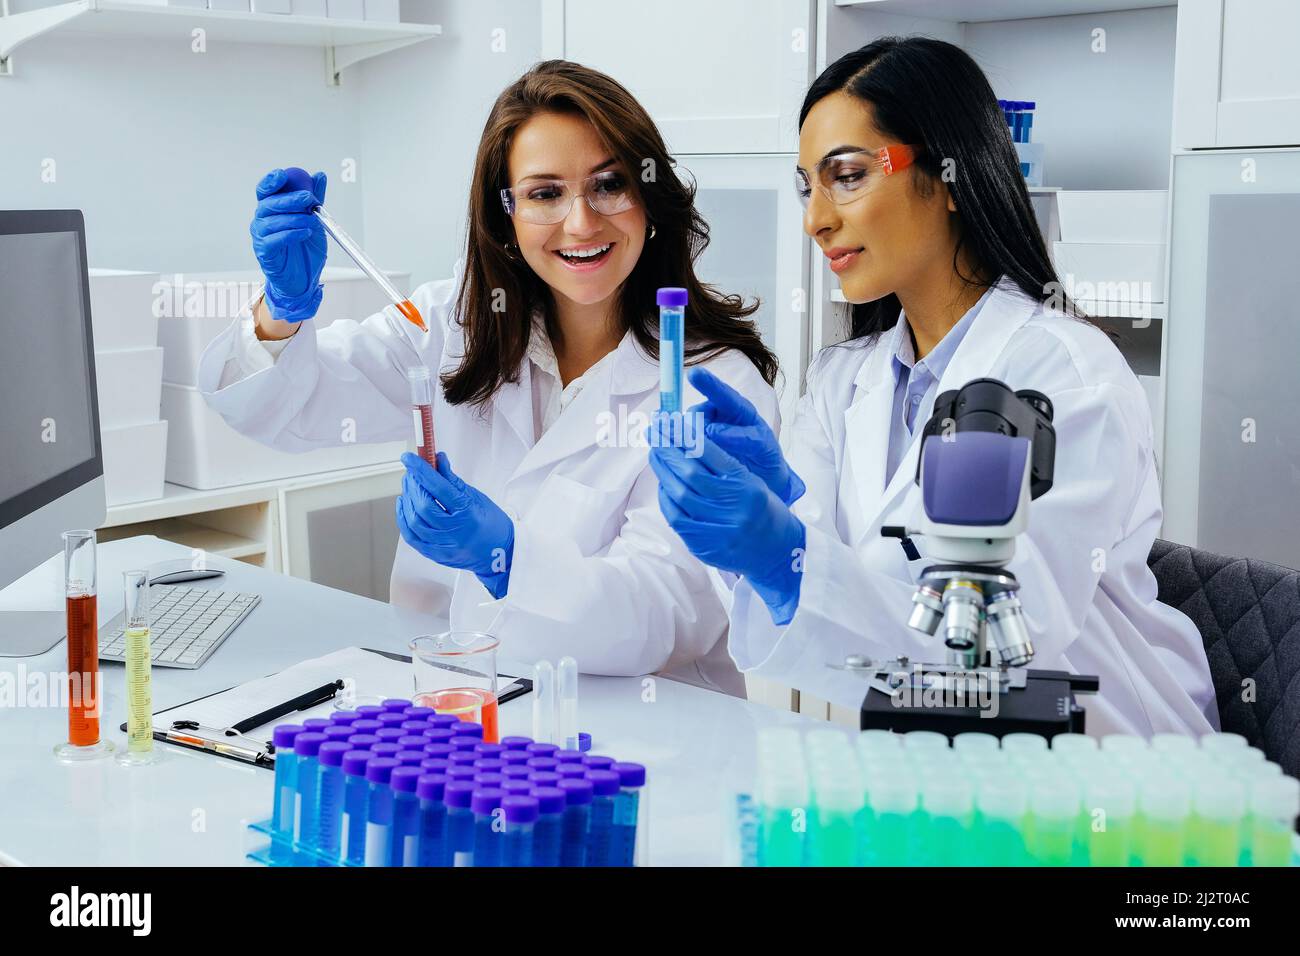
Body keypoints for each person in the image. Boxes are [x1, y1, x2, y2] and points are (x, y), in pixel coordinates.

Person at [648, 37, 1217, 735]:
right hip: (925, 760)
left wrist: (785, 554)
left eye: (848, 176)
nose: (815, 219)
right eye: (808, 186)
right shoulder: (843, 381)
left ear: (948, 175)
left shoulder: (1064, 375)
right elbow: (829, 622)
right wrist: (781, 517)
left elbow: (997, 642)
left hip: (1104, 774)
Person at [197, 60, 779, 696]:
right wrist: (282, 309)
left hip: (647, 738)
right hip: (456, 703)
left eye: (609, 185)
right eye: (545, 193)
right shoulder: (455, 326)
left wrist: (505, 559)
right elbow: (282, 408)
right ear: (506, 215)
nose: (581, 222)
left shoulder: (713, 385)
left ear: (650, 198)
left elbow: (669, 615)